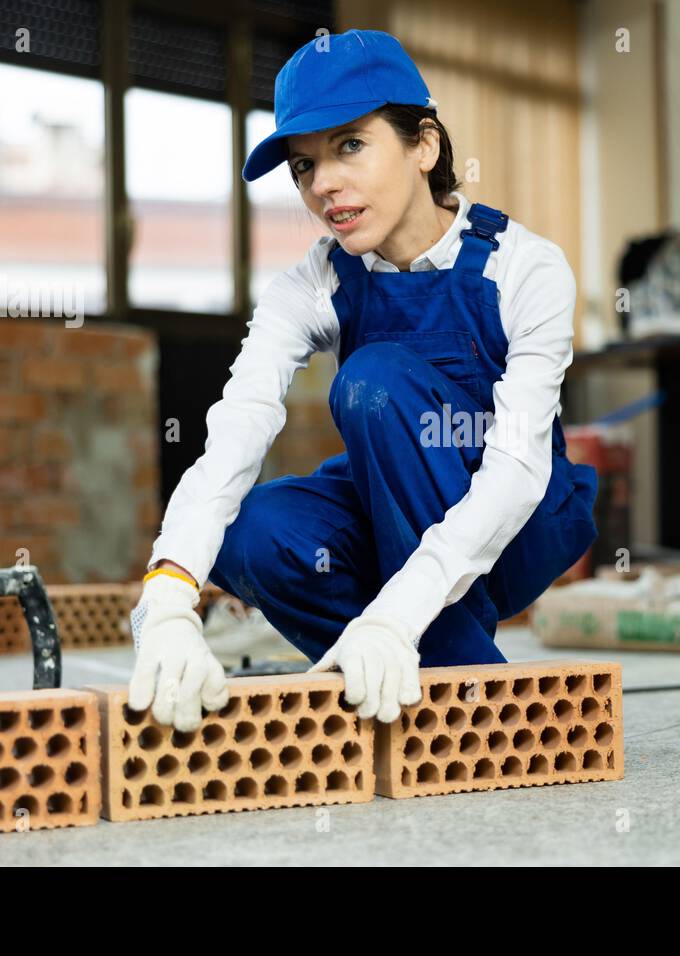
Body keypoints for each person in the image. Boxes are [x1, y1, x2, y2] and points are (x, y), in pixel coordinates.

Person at [128, 29, 598, 733]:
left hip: (521, 518)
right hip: (392, 518)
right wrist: (166, 595)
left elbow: (518, 468)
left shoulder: (523, 268)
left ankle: (462, 694)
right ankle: (385, 681)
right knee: (251, 530)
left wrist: (396, 614)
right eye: (303, 164)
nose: (323, 185)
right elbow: (237, 427)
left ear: (425, 146)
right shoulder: (310, 285)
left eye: (350, 145)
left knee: (372, 383)